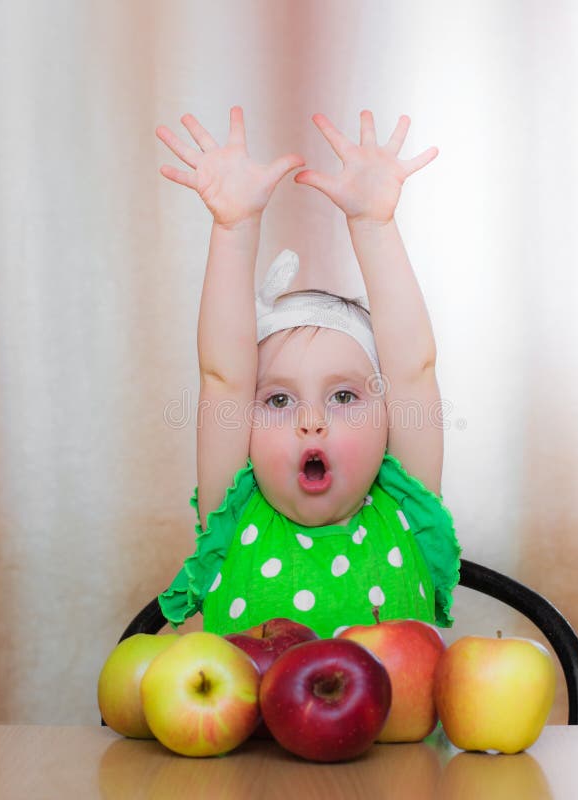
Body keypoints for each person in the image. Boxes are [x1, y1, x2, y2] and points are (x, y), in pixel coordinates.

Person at [154, 107, 460, 639]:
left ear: (390, 417)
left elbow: (413, 369)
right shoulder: (233, 518)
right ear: (242, 427)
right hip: (249, 727)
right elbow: (223, 375)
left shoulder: (408, 513)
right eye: (277, 401)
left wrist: (374, 225)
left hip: (391, 725)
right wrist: (234, 229)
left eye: (344, 396)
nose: (312, 422)